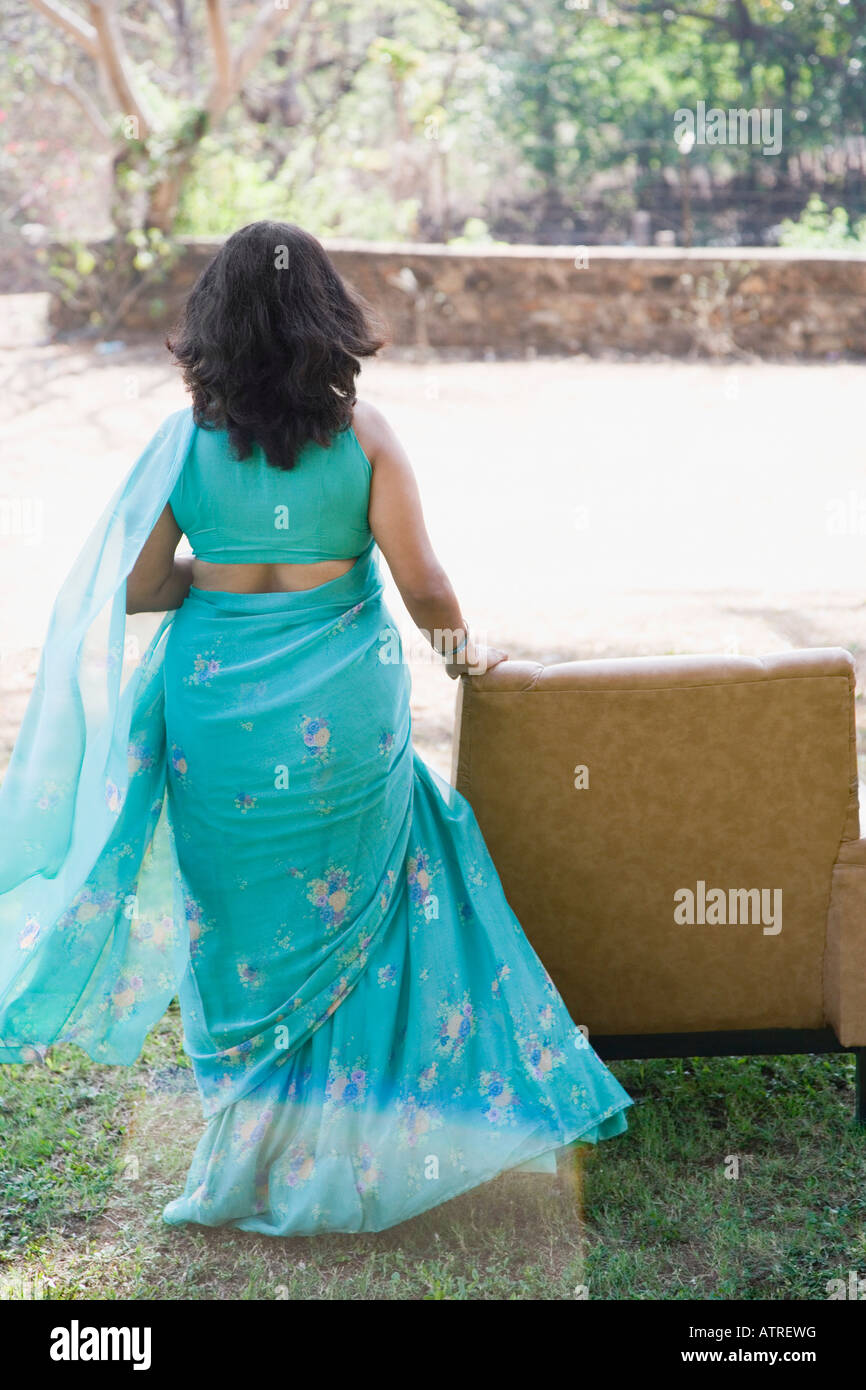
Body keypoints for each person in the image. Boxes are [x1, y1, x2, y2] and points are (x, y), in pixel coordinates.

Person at [0, 221, 631, 1235]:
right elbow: (421, 582)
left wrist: (228, 566)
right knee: (353, 918)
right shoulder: (364, 436)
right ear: (325, 318)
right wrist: (467, 660)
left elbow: (139, 583)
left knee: (240, 931)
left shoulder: (184, 443)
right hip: (338, 715)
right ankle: (364, 1148)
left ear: (213, 328)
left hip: (219, 722)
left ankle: (248, 1153)